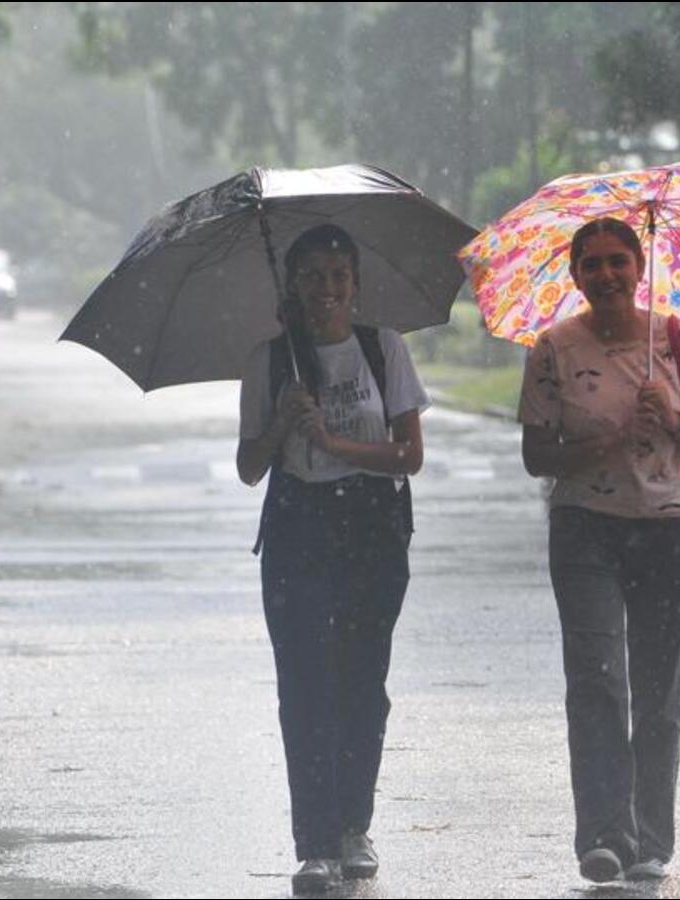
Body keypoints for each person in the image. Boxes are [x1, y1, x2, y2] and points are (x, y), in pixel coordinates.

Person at [518, 217, 680, 884]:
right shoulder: (552, 349)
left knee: (658, 688)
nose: (607, 274)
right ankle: (604, 834)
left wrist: (672, 421)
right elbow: (536, 456)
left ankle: (649, 837)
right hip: (586, 528)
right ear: (576, 274)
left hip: (671, 530)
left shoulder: (676, 339)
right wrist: (604, 441)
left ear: (639, 268)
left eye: (619, 262)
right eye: (593, 264)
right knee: (596, 679)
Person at [236, 224, 430, 893]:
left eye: (337, 276)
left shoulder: (383, 350)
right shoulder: (269, 362)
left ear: (355, 284)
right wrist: (280, 425)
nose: (326, 289)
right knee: (304, 685)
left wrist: (340, 446)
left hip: (373, 525)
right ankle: (314, 840)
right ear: (292, 285)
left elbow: (410, 456)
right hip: (297, 528)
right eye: (312, 276)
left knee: (361, 681)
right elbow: (247, 468)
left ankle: (353, 824)